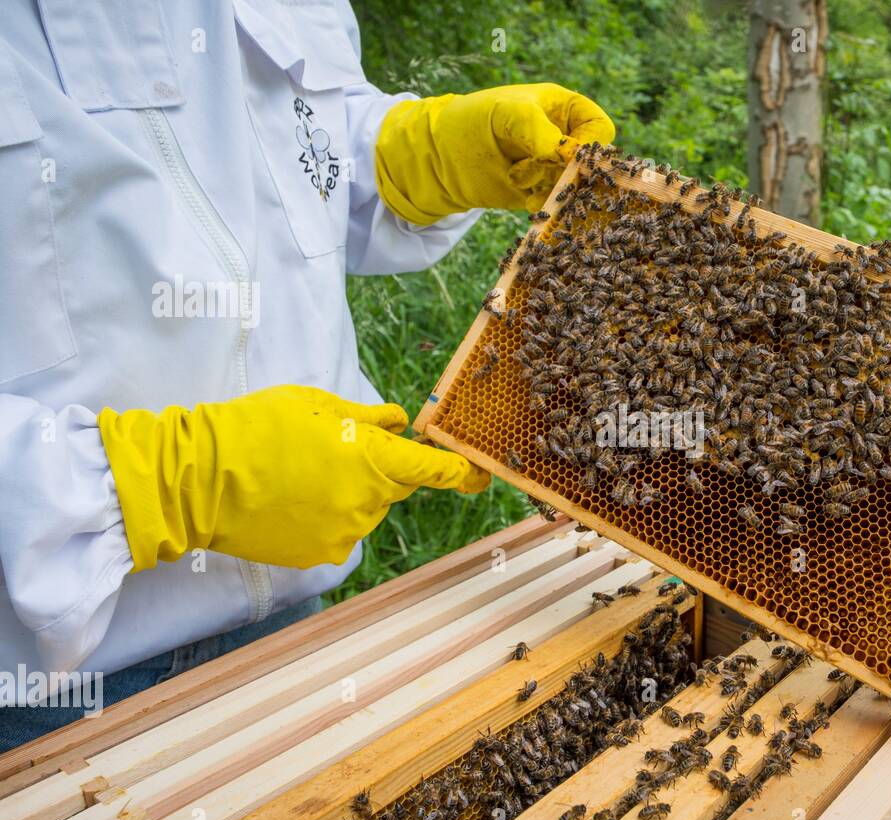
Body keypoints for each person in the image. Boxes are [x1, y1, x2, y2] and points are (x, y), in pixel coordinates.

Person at [0, 0, 614, 750]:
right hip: (43, 697)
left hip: (296, 634)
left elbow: (298, 150)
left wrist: (408, 155)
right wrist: (158, 481)